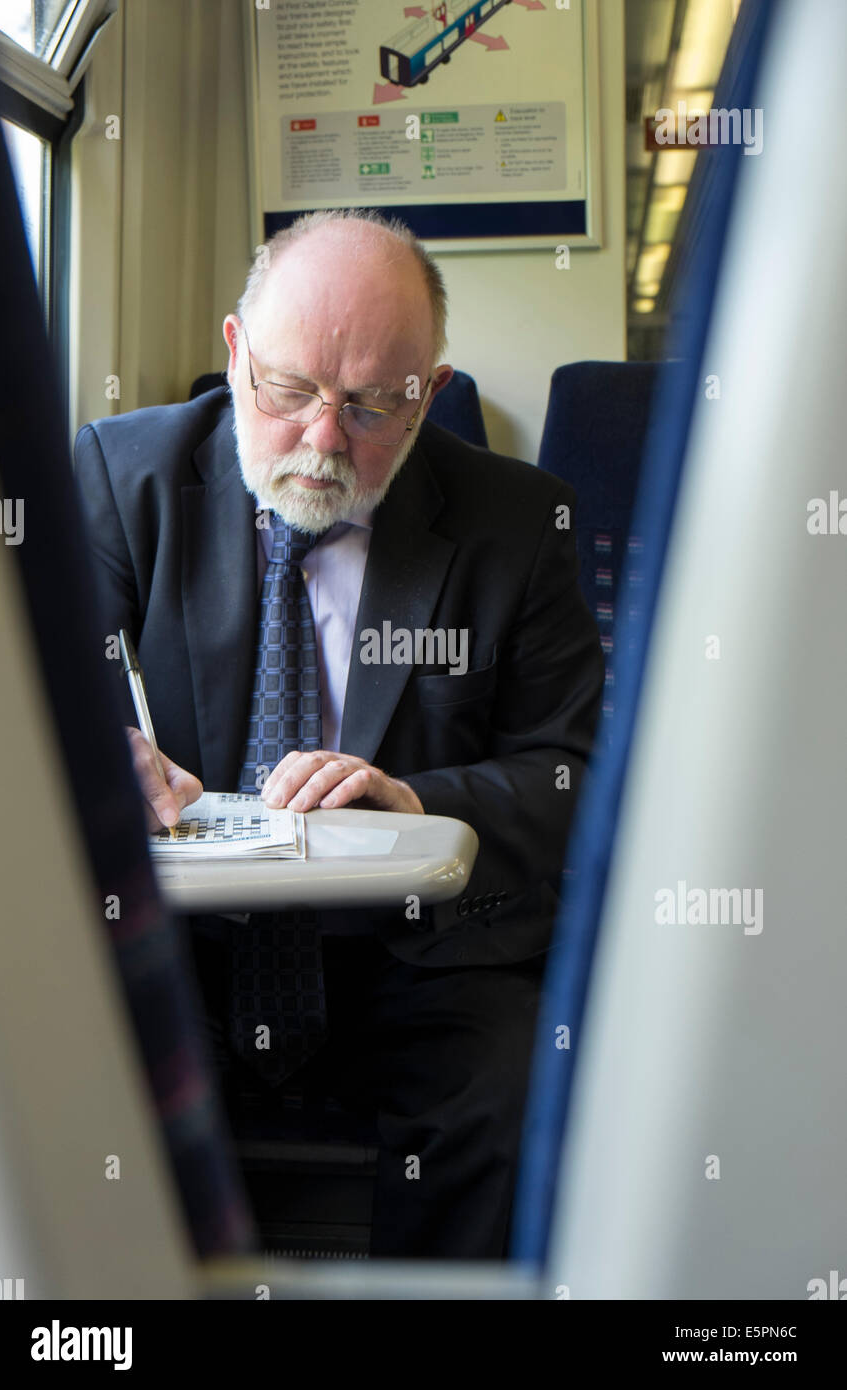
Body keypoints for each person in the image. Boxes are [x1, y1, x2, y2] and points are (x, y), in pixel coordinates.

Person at [74, 208, 604, 1258]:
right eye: (289, 391)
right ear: (234, 350)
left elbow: (573, 775)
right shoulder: (122, 477)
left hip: (419, 957)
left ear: (430, 394)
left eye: (370, 405)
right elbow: (42, 705)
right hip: (188, 951)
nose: (323, 440)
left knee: (503, 1089)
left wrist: (416, 802)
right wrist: (97, 757)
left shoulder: (516, 524)